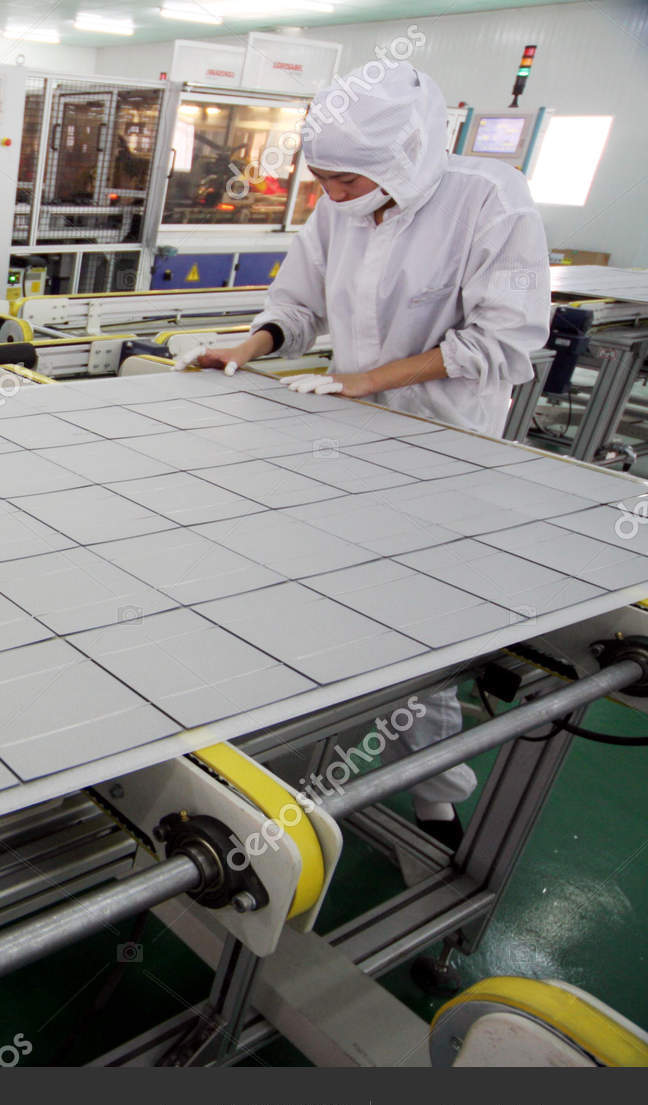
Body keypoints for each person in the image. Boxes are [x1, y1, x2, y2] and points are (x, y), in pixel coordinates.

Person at [187, 64, 552, 846]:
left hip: (446, 448)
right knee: (324, 593)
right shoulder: (340, 210)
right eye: (319, 181)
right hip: (343, 436)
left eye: (345, 180)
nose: (333, 196)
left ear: (402, 160)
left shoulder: (489, 202)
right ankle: (273, 745)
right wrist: (246, 348)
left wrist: (370, 379)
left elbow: (504, 341)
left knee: (418, 626)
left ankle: (434, 794)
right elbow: (298, 304)